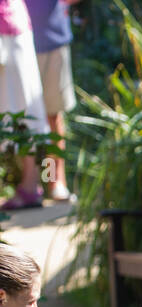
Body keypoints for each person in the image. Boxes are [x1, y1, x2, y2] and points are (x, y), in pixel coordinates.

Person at [24, 0, 78, 202]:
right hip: (18, 39)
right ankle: (29, 186)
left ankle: (54, 182)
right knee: (24, 118)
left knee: (52, 116)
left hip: (52, 38)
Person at [0, 0, 49, 210]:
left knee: (26, 108)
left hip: (11, 29)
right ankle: (35, 185)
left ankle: (36, 185)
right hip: (13, 27)